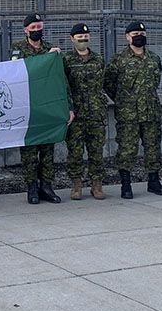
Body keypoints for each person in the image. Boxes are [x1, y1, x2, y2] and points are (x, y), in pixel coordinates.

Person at [104, 21, 162, 199]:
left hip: (150, 112)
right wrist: (123, 100)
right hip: (128, 114)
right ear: (127, 37)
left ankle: (154, 182)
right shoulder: (118, 60)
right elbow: (108, 83)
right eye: (135, 33)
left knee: (153, 147)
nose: (139, 36)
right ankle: (126, 184)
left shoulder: (154, 58)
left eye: (142, 33)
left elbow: (155, 81)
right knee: (126, 150)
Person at [12, 13, 63, 205]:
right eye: (32, 28)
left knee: (48, 149)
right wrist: (44, 60)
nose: (36, 31)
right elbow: (17, 71)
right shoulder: (18, 48)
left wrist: (68, 107)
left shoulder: (51, 49)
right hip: (27, 106)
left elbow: (60, 80)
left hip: (48, 106)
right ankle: (32, 187)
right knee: (29, 150)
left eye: (38, 27)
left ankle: (47, 187)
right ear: (25, 30)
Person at [63, 23, 107, 200]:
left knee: (96, 151)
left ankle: (96, 185)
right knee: (75, 151)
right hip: (76, 114)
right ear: (72, 39)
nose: (83, 39)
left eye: (85, 36)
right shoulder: (66, 60)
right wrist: (68, 108)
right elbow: (63, 87)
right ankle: (76, 185)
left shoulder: (98, 59)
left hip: (96, 113)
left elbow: (106, 82)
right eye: (79, 37)